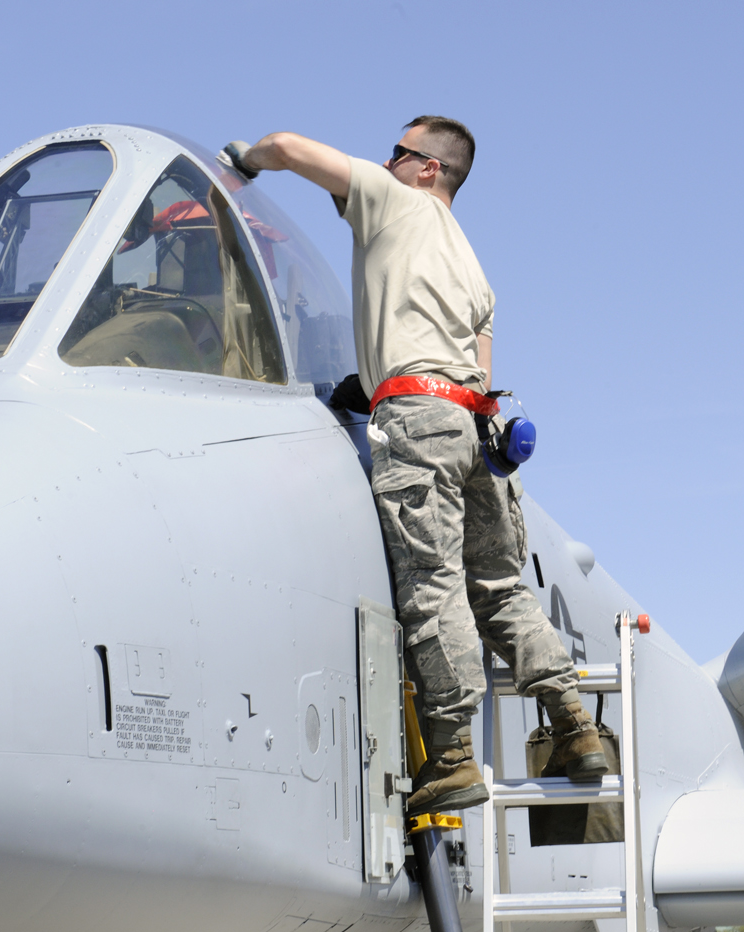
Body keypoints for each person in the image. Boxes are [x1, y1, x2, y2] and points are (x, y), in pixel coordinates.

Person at [222, 118, 607, 813]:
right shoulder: (476, 273)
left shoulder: (395, 203)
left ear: (430, 169)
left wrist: (241, 163)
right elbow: (481, 379)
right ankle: (575, 723)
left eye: (397, 153)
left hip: (420, 423)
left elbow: (285, 146)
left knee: (434, 585)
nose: (385, 161)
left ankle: (454, 755)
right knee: (500, 587)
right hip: (477, 427)